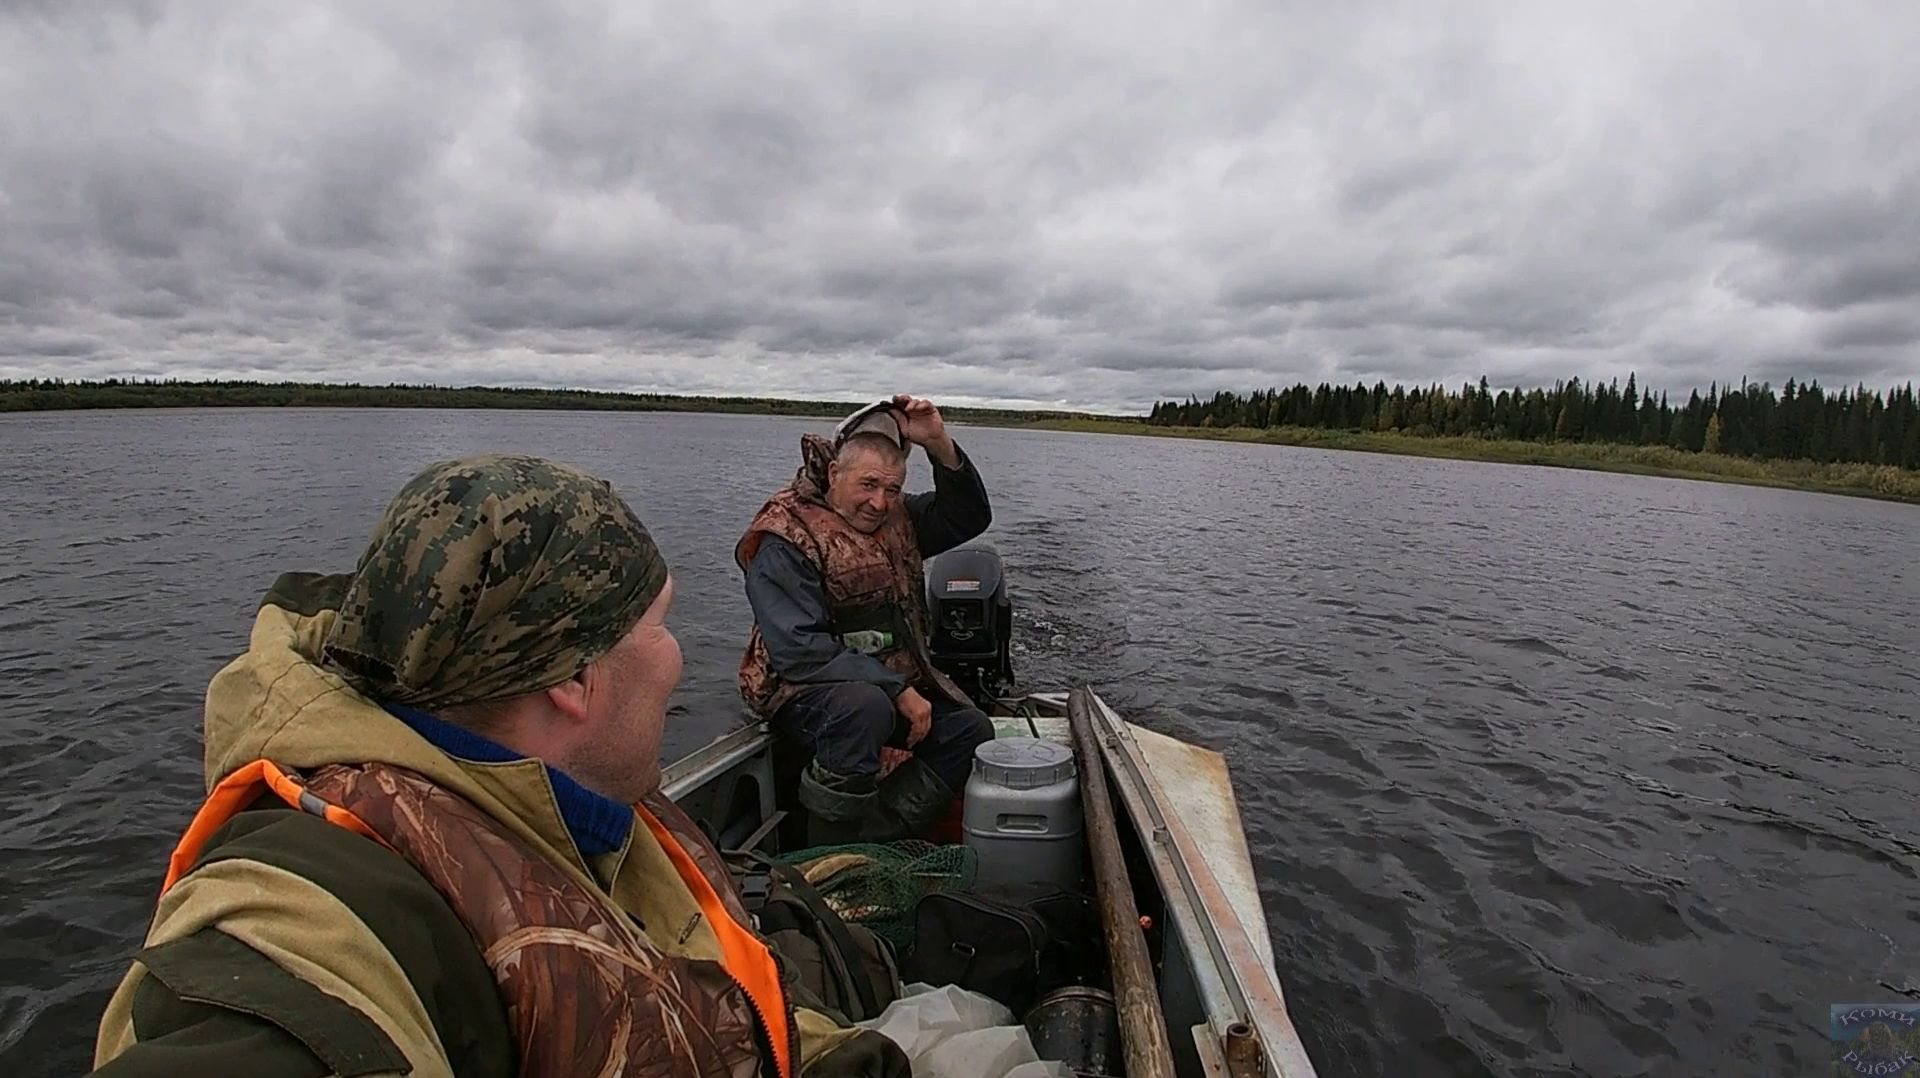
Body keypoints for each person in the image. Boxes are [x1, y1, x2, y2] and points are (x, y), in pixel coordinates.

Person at [92, 455, 906, 1077]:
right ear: (573, 680)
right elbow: (266, 1013)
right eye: (662, 624)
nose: (677, 657)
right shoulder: (320, 906)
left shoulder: (570, 791)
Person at [737, 396, 996, 846]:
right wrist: (895, 689)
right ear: (835, 473)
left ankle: (875, 838)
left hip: (885, 685)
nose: (879, 503)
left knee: (969, 728)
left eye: (891, 490)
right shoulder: (786, 534)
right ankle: (827, 854)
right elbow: (798, 650)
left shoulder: (897, 516)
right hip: (797, 689)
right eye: (868, 485)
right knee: (864, 708)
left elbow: (969, 516)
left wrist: (938, 441)